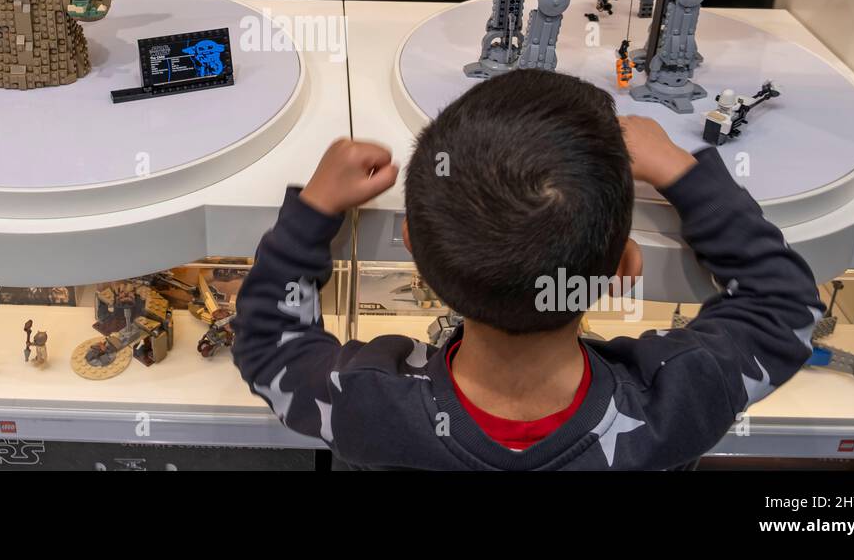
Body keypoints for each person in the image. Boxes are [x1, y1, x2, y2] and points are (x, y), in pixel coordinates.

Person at [232, 69, 823, 469]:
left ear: (412, 246)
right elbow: (785, 305)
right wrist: (682, 171)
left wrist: (312, 211)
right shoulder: (682, 400)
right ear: (622, 270)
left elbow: (267, 348)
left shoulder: (367, 403)